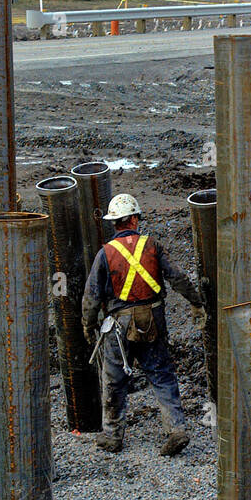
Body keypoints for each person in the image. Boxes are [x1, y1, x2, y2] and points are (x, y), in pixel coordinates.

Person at [82, 193, 206, 456]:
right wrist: (196, 302)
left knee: (114, 379)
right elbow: (178, 277)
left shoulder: (105, 253)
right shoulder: (153, 245)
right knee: (161, 374)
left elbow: (91, 296)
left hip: (118, 324)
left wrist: (87, 324)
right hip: (153, 318)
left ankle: (113, 436)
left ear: (114, 223)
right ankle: (176, 429)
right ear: (135, 219)